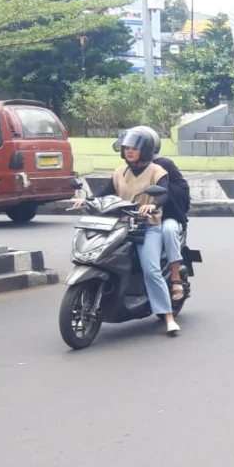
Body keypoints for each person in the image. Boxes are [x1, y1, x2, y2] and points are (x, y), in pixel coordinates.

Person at [76, 128, 182, 335]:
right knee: (98, 258)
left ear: (144, 150)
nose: (129, 152)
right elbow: (105, 192)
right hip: (120, 225)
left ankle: (167, 316)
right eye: (126, 149)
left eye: (134, 149)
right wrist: (87, 199)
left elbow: (164, 195)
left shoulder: (157, 171)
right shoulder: (119, 172)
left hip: (148, 226)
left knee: (151, 270)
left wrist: (153, 205)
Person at [118, 127, 192, 300]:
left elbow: (181, 192)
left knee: (168, 230)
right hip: (138, 218)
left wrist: (157, 200)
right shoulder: (127, 169)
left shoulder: (162, 165)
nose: (131, 150)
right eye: (128, 146)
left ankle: (175, 278)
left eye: (136, 146)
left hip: (166, 217)